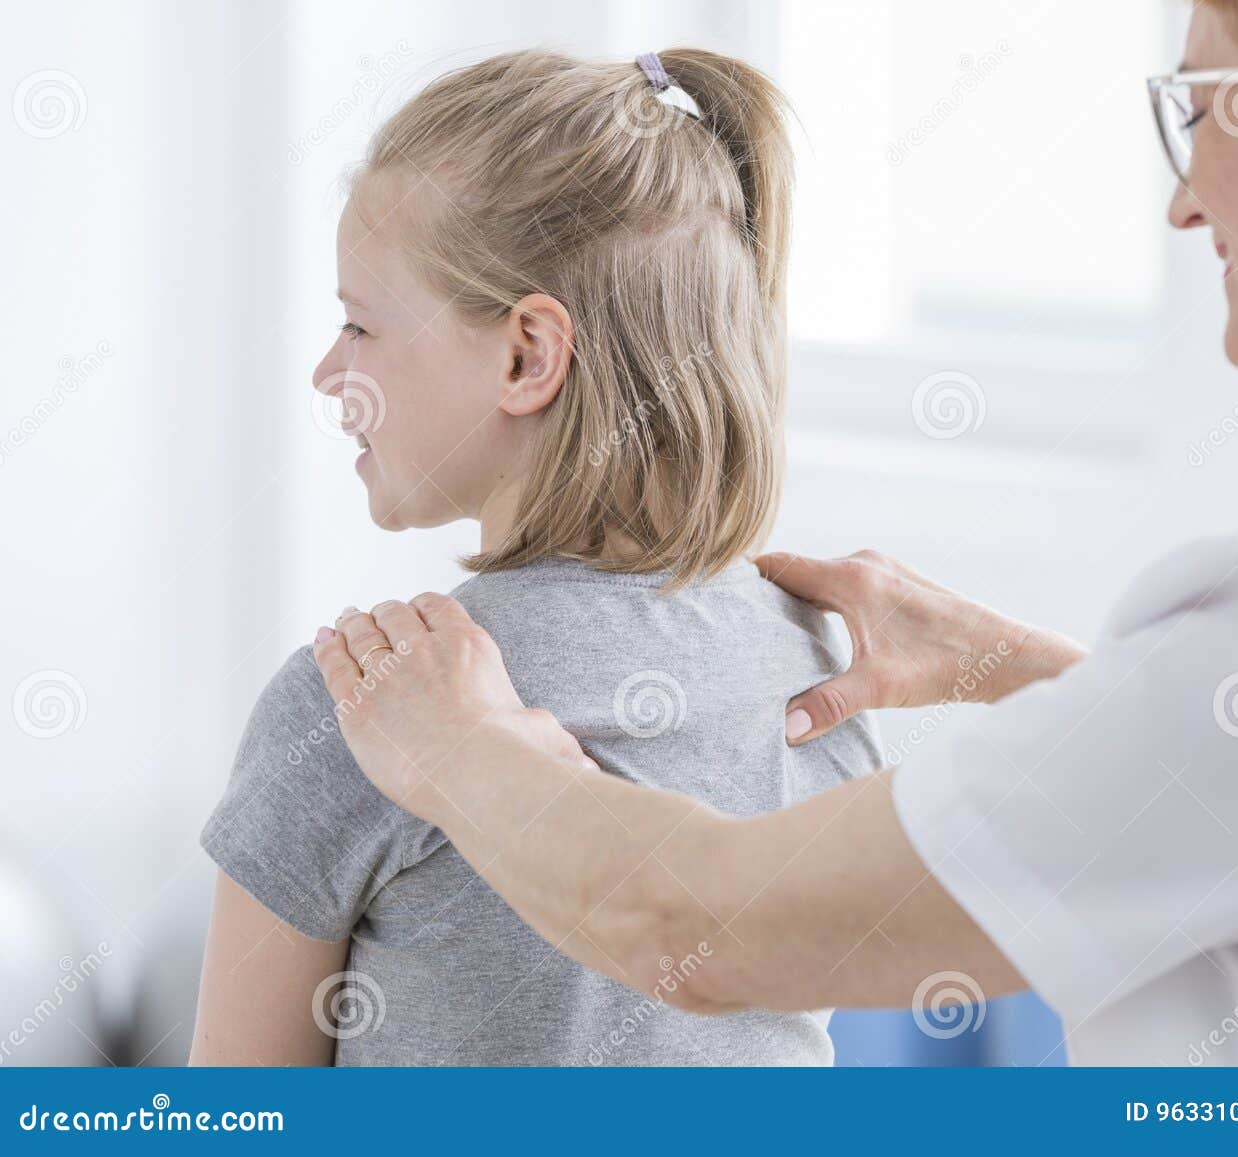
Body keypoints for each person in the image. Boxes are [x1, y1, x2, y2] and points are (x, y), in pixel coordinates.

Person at [310, 0, 1238, 1064]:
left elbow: (688, 924)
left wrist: (457, 747)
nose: (1182, 202)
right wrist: (1019, 672)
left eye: (1200, 109)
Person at [190, 47, 885, 1066]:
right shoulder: (820, 678)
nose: (328, 370)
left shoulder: (364, 701)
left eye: (359, 322)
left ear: (526, 356)